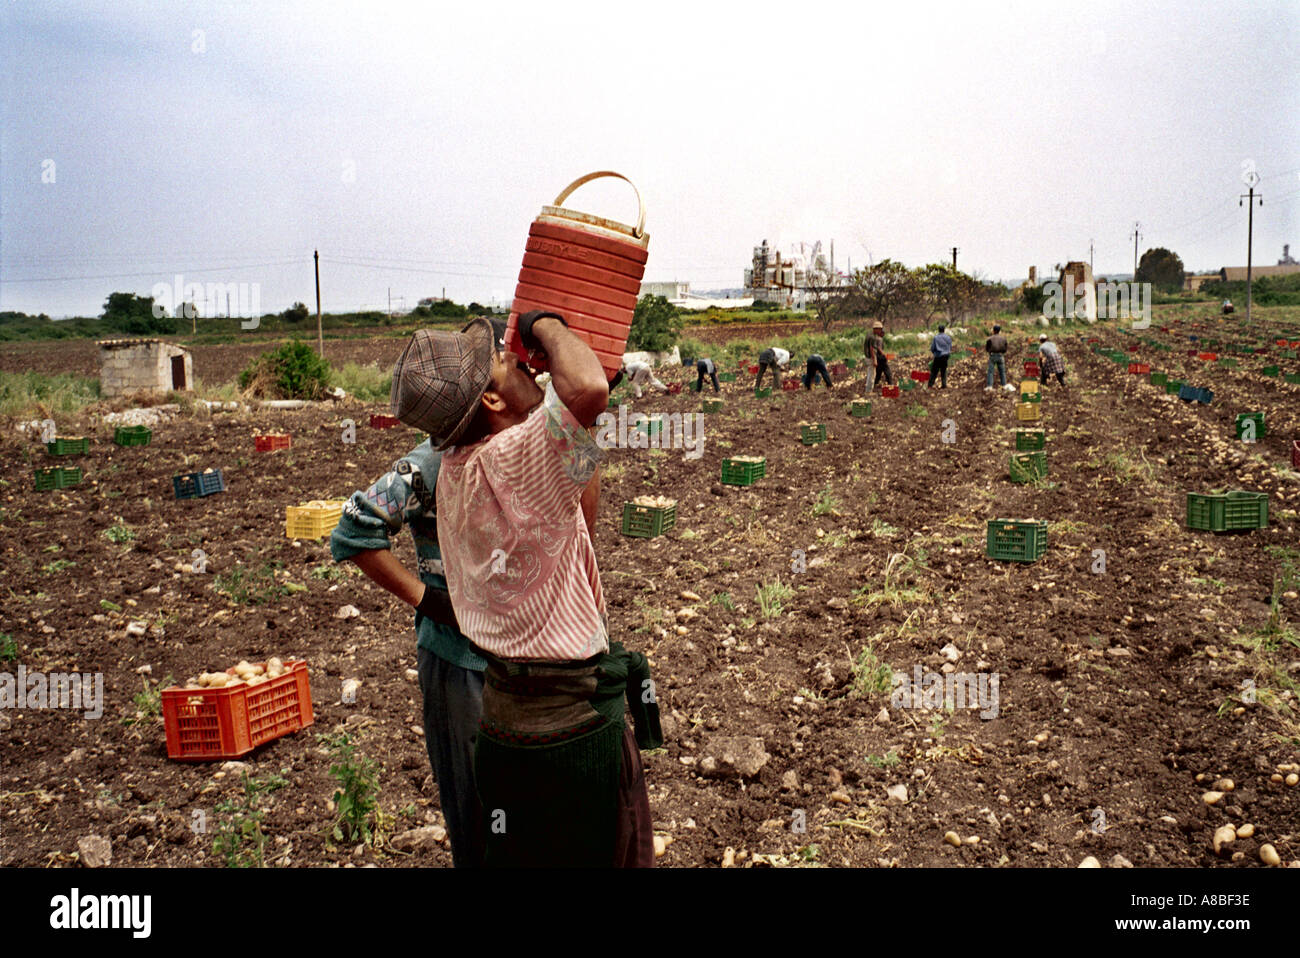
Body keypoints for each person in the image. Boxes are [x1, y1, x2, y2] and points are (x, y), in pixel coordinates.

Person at [391, 311, 661, 868]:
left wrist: (544, 408)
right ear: (491, 402)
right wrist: (549, 325)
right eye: (503, 360)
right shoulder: (516, 458)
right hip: (572, 730)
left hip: (506, 724)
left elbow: (578, 504)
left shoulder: (456, 470)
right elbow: (587, 387)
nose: (518, 360)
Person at [330, 436, 485, 868]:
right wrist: (429, 600)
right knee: (477, 811)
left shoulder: (525, 443)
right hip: (462, 664)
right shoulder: (434, 461)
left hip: (525, 666)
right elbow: (354, 528)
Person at [864, 322, 893, 391]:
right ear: (876, 329)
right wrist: (875, 359)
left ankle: (874, 384)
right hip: (873, 357)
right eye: (880, 330)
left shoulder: (869, 335)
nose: (881, 332)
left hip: (869, 356)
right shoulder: (875, 338)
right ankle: (868, 391)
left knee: (877, 372)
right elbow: (873, 349)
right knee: (873, 374)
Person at [985, 324, 1008, 391]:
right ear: (999, 331)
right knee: (1002, 371)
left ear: (993, 331)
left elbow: (987, 348)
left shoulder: (990, 339)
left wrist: (990, 352)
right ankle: (1004, 385)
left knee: (990, 371)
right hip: (1000, 355)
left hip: (992, 356)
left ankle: (989, 386)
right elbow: (1005, 348)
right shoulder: (1003, 339)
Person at [928, 324, 953, 389]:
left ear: (938, 330)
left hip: (938, 356)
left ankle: (930, 385)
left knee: (934, 371)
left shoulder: (936, 338)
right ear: (944, 330)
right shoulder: (948, 337)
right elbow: (950, 347)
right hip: (946, 356)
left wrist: (935, 353)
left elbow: (932, 348)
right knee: (943, 370)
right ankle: (944, 385)